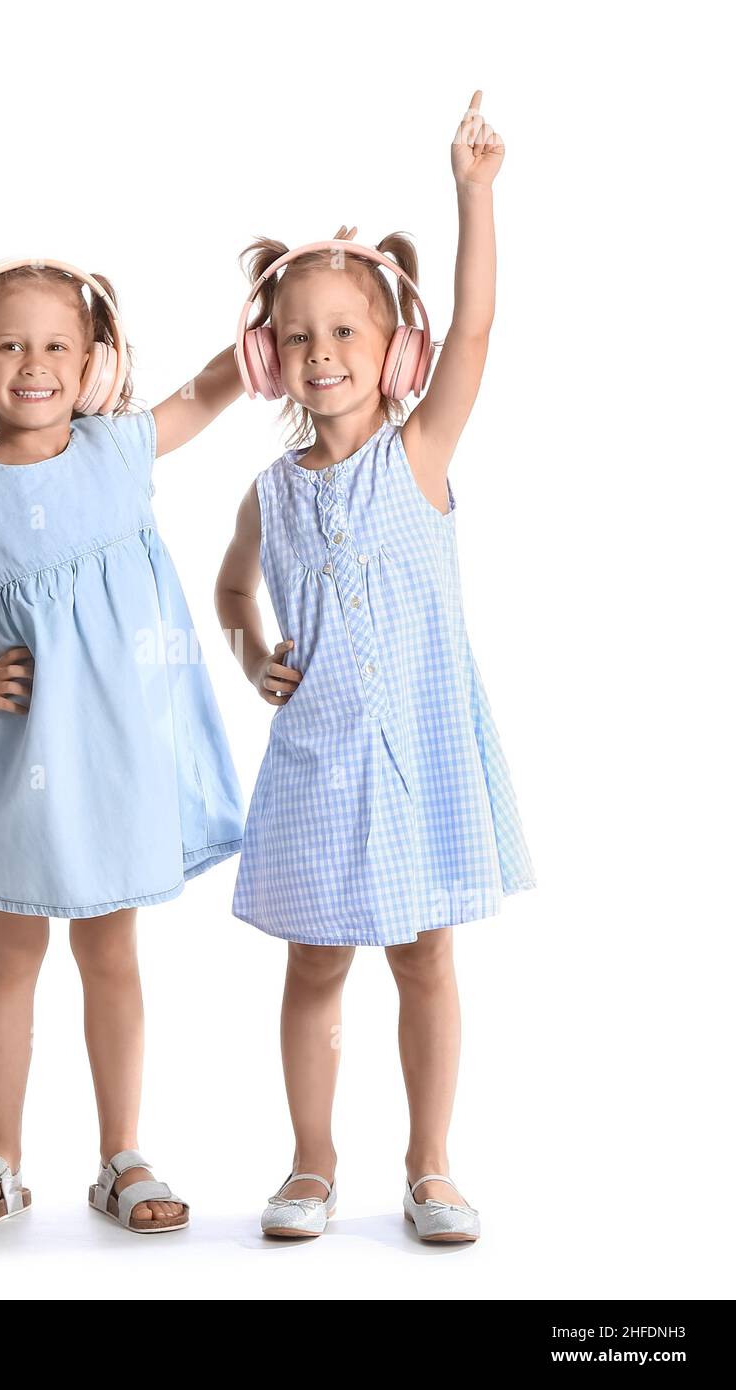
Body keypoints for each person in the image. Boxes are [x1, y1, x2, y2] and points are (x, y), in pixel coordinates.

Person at [0, 254, 244, 1236]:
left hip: (116, 764)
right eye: (9, 345)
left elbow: (208, 389)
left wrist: (270, 312)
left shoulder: (117, 450)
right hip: (25, 770)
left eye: (57, 346)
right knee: (8, 955)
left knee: (111, 954)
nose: (34, 363)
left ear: (94, 367)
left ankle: (121, 1155)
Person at [214, 93, 536, 1243]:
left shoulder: (419, 452)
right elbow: (229, 588)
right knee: (313, 963)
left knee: (424, 956)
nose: (319, 354)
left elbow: (480, 329)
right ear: (267, 356)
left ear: (392, 347)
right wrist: (255, 654)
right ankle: (309, 1163)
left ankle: (431, 1163)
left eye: (344, 331)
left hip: (417, 753)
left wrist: (472, 190)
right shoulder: (270, 491)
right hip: (315, 756)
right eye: (296, 336)